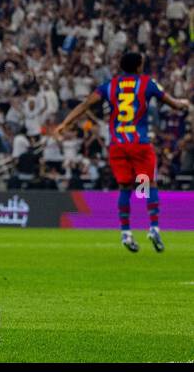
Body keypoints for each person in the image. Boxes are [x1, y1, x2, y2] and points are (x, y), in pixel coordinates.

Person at [52, 51, 190, 252]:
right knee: (148, 184)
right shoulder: (147, 83)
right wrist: (184, 104)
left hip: (117, 145)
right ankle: (153, 227)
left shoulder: (110, 85)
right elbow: (174, 104)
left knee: (125, 187)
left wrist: (65, 123)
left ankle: (126, 232)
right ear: (138, 66)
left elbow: (85, 104)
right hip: (139, 144)